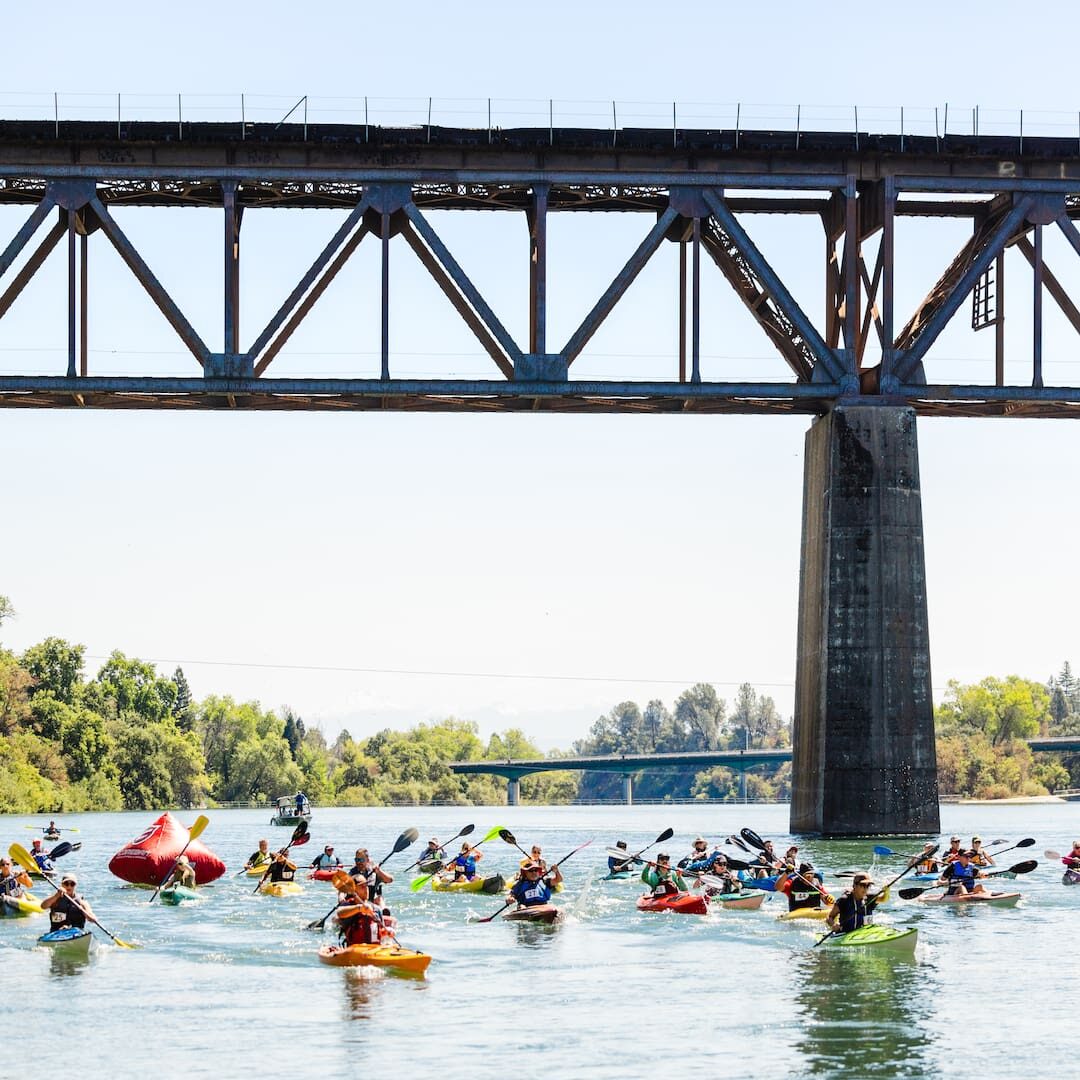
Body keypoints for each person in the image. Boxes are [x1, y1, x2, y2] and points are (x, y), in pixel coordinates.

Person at [335, 879, 384, 946]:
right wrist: (359, 908)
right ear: (354, 890)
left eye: (366, 886)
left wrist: (387, 933)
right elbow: (339, 913)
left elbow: (382, 931)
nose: (366, 889)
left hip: (374, 949)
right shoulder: (348, 906)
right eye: (362, 886)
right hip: (355, 949)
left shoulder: (376, 909)